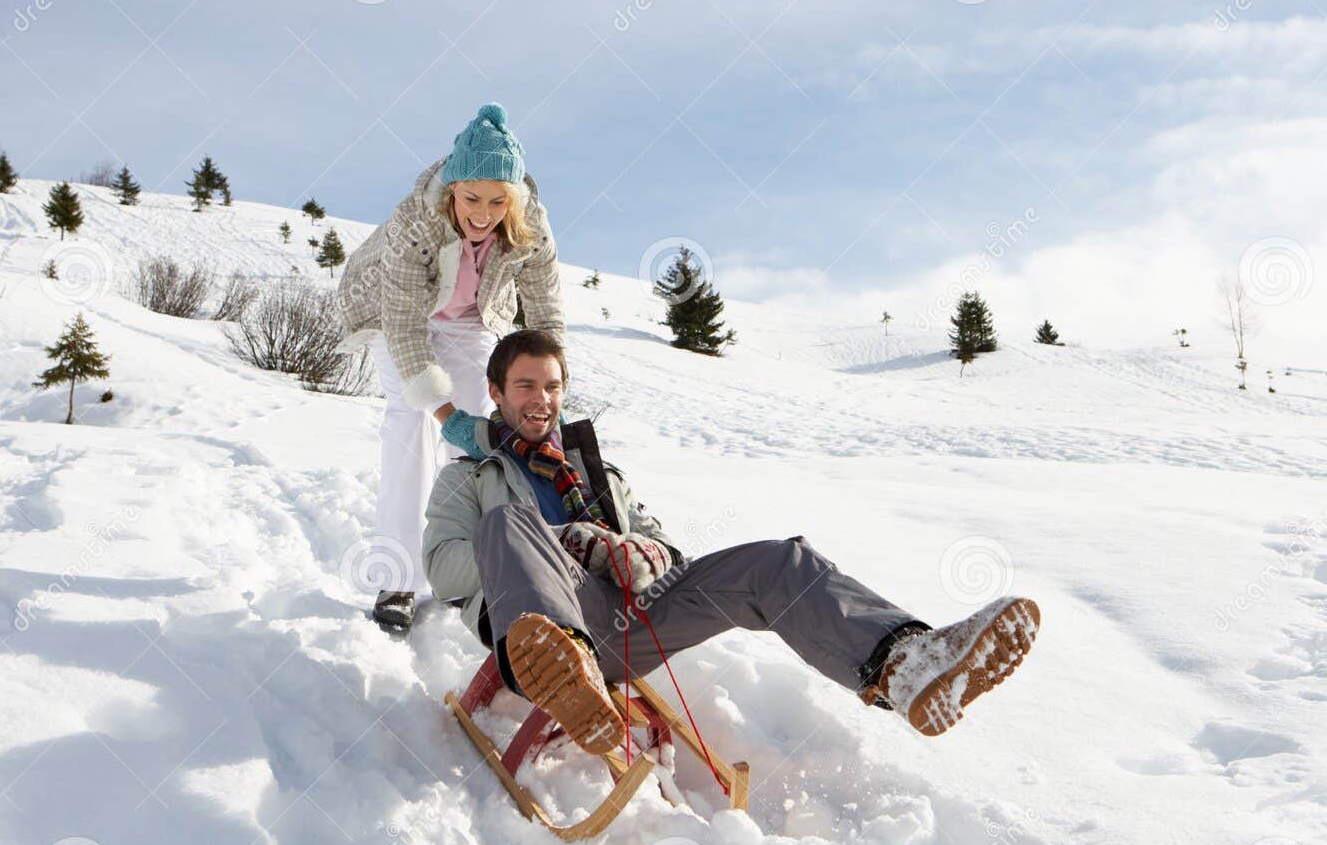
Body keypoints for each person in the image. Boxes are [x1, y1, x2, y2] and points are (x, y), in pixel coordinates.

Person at [423, 329, 1041, 752]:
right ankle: (565, 670)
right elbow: (443, 569)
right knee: (506, 523)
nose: (542, 399)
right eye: (526, 386)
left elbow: (664, 544)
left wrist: (642, 553)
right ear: (496, 393)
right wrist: (561, 540)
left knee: (779, 562)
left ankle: (905, 667)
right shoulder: (470, 478)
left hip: (633, 614)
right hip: (541, 631)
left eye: (552, 386)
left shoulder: (597, 473)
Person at [336, 103, 565, 631]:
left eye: (497, 201)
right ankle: (398, 578)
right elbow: (404, 326)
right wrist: (444, 413)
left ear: (514, 199)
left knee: (479, 438)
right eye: (471, 199)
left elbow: (545, 310)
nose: (483, 214)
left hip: (471, 320)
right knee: (409, 421)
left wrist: (549, 392)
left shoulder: (531, 224)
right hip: (398, 314)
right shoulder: (416, 220)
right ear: (452, 191)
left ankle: (470, 568)